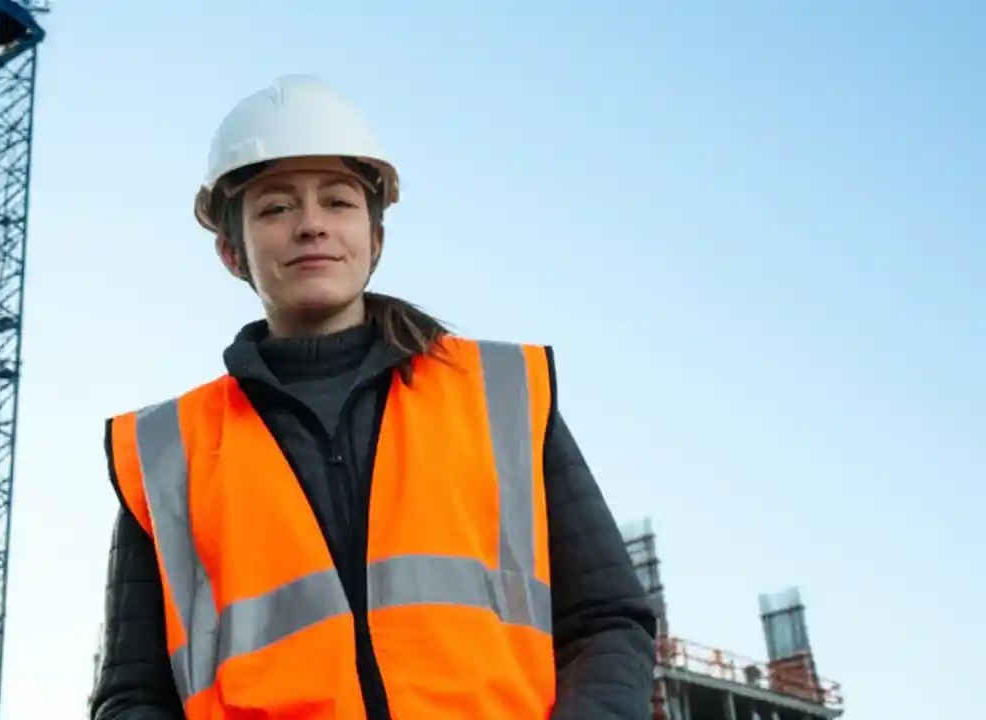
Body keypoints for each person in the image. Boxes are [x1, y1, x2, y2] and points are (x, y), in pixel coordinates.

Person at [91, 74, 658, 720]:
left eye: (337, 202)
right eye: (276, 207)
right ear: (231, 250)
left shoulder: (501, 396)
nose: (311, 226)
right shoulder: (169, 455)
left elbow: (608, 624)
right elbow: (133, 696)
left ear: (376, 238)